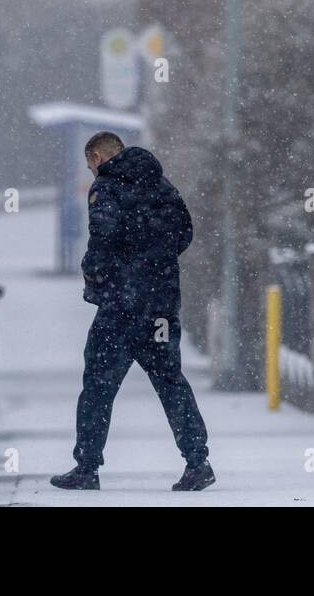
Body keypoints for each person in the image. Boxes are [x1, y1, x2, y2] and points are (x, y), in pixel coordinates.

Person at [50, 132, 214, 492]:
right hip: (160, 305)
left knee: (98, 384)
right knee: (170, 381)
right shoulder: (160, 183)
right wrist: (155, 263)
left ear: (96, 155)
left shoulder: (106, 188)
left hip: (121, 309)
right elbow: (184, 233)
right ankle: (198, 461)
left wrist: (96, 274)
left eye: (89, 163)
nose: (91, 170)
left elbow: (102, 240)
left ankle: (87, 466)